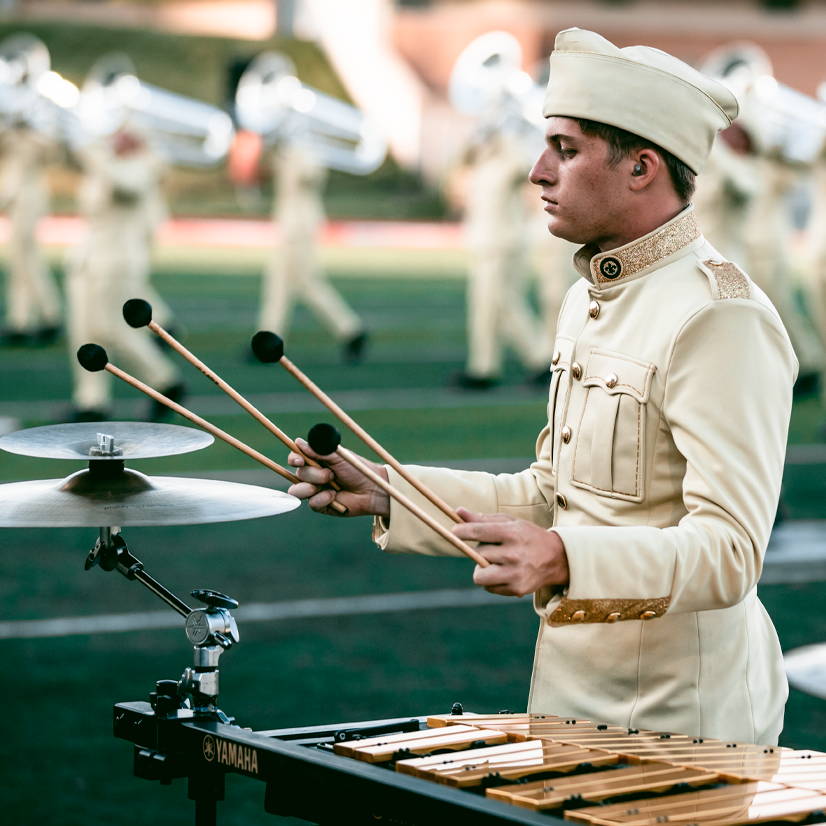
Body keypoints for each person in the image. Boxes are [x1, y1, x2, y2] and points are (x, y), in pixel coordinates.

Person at [287, 29, 796, 745]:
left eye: (566, 149)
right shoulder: (586, 296)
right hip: (569, 697)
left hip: (684, 720)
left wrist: (564, 558)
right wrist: (391, 491)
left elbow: (731, 551)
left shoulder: (720, 316)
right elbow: (551, 495)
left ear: (642, 167)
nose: (537, 171)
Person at [65, 124, 182, 421]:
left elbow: (126, 187)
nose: (113, 136)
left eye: (123, 131)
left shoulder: (144, 165)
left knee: (113, 329)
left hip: (118, 261)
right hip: (89, 259)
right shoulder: (108, 163)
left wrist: (95, 155)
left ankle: (165, 381)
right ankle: (92, 402)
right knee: (85, 333)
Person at [454, 130, 552, 387]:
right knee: (483, 309)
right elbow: (461, 154)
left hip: (503, 246)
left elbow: (528, 165)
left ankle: (542, 360)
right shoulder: (479, 163)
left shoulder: (508, 159)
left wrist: (507, 135)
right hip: (484, 245)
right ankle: (483, 367)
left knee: (504, 304)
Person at [257, 140, 368, 362]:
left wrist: (294, 154)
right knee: (286, 283)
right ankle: (267, 339)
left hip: (299, 228)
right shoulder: (280, 149)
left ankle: (351, 329)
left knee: (299, 281)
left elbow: (310, 176)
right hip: (288, 225)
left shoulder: (307, 150)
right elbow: (262, 173)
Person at [0, 122, 63, 345]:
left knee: (25, 262)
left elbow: (52, 153)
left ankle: (44, 315)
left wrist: (28, 129)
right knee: (22, 263)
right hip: (16, 203)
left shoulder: (35, 139)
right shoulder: (9, 134)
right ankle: (24, 318)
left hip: (28, 204)